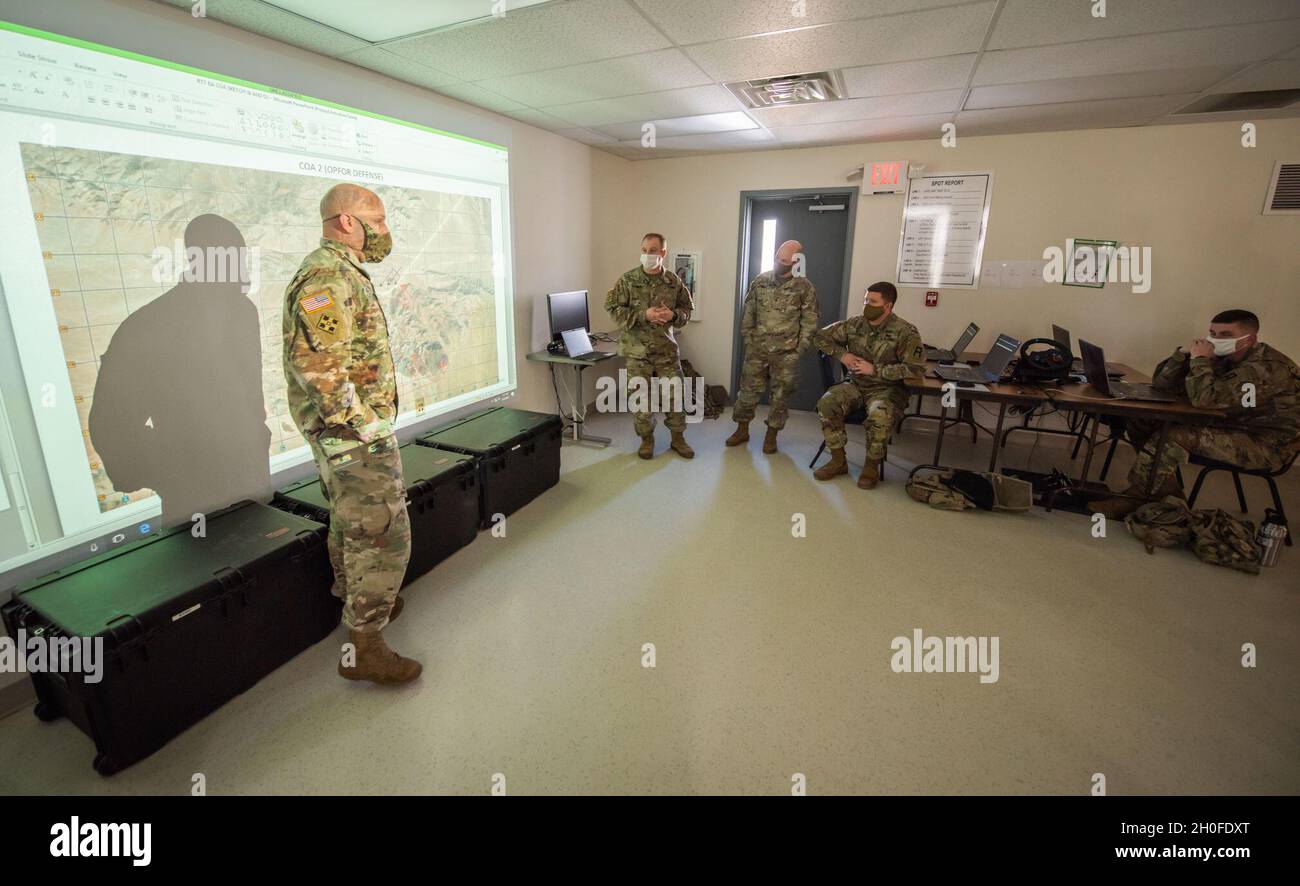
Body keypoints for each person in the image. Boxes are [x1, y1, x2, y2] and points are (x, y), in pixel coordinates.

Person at [282, 182, 419, 685]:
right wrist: (366, 427)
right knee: (384, 533)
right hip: (352, 437)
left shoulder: (341, 271)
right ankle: (367, 643)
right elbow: (318, 365)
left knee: (350, 523)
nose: (384, 231)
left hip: (339, 434)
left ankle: (357, 602)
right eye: (377, 221)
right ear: (346, 222)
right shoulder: (327, 276)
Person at [1092, 310, 1300, 518]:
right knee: (1143, 421)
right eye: (1212, 333)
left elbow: (1205, 400)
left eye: (1225, 335)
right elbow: (1163, 385)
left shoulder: (1268, 368)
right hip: (1230, 426)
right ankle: (1162, 493)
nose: (1215, 339)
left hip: (1266, 445)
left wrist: (1200, 360)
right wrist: (1182, 355)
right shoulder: (1225, 358)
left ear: (1249, 339)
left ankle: (1137, 497)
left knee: (1176, 436)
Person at [811, 282, 924, 489]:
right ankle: (838, 461)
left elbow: (916, 370)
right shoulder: (855, 324)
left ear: (888, 306)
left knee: (879, 414)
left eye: (872, 302)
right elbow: (819, 337)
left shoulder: (906, 332)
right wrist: (843, 355)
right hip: (855, 384)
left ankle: (871, 466)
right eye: (865, 300)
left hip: (887, 389)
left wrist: (876, 370)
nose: (866, 305)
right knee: (827, 403)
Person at [604, 232, 696, 459]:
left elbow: (687, 311)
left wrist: (673, 315)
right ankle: (646, 440)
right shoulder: (628, 280)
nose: (647, 255)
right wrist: (643, 314)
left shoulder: (673, 281)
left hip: (665, 350)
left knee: (675, 396)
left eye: (652, 251)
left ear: (663, 253)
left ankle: (678, 438)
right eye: (644, 250)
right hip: (637, 351)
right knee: (639, 398)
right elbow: (613, 309)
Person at [727, 239, 820, 453]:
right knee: (747, 392)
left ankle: (771, 435)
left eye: (785, 260)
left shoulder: (804, 287)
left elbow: (810, 320)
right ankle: (742, 429)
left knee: (780, 397)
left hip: (786, 353)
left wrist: (799, 349)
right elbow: (749, 312)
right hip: (757, 350)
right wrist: (749, 339)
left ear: (795, 262)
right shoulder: (760, 281)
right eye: (778, 258)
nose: (780, 263)